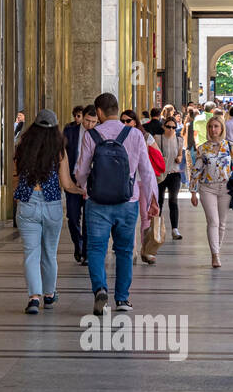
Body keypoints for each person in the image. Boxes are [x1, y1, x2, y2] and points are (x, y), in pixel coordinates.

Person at [74, 93, 160, 315]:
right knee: (123, 249)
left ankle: (100, 289)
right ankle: (122, 298)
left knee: (95, 248)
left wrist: (83, 189)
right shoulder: (134, 135)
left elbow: (82, 169)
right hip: (127, 201)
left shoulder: (91, 135)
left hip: (97, 202)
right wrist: (153, 199)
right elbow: (146, 171)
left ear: (99, 112)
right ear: (116, 109)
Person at [14, 109, 82, 314]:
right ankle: (49, 295)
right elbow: (67, 184)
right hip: (51, 204)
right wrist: (83, 191)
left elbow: (15, 178)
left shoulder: (22, 147)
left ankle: (34, 298)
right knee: (49, 254)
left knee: (31, 254)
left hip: (27, 205)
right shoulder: (59, 151)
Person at [190, 113, 233, 268]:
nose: (213, 129)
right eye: (210, 126)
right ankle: (214, 255)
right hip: (207, 188)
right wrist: (193, 192)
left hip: (226, 188)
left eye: (216, 126)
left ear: (222, 128)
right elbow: (196, 170)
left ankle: (217, 250)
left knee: (221, 223)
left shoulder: (230, 146)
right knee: (213, 221)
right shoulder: (202, 148)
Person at [62, 106, 90, 264]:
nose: (89, 124)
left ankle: (85, 252)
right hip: (72, 179)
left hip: (90, 182)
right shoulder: (70, 131)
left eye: (93, 121)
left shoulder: (97, 133)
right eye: (86, 120)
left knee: (88, 219)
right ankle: (77, 243)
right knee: (72, 217)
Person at [158, 114, 186, 240]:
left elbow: (180, 155)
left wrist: (179, 158)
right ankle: (157, 228)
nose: (171, 130)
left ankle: (175, 229)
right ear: (163, 127)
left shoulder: (179, 140)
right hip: (160, 174)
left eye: (174, 127)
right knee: (159, 202)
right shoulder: (157, 139)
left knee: (173, 201)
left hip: (174, 173)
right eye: (168, 127)